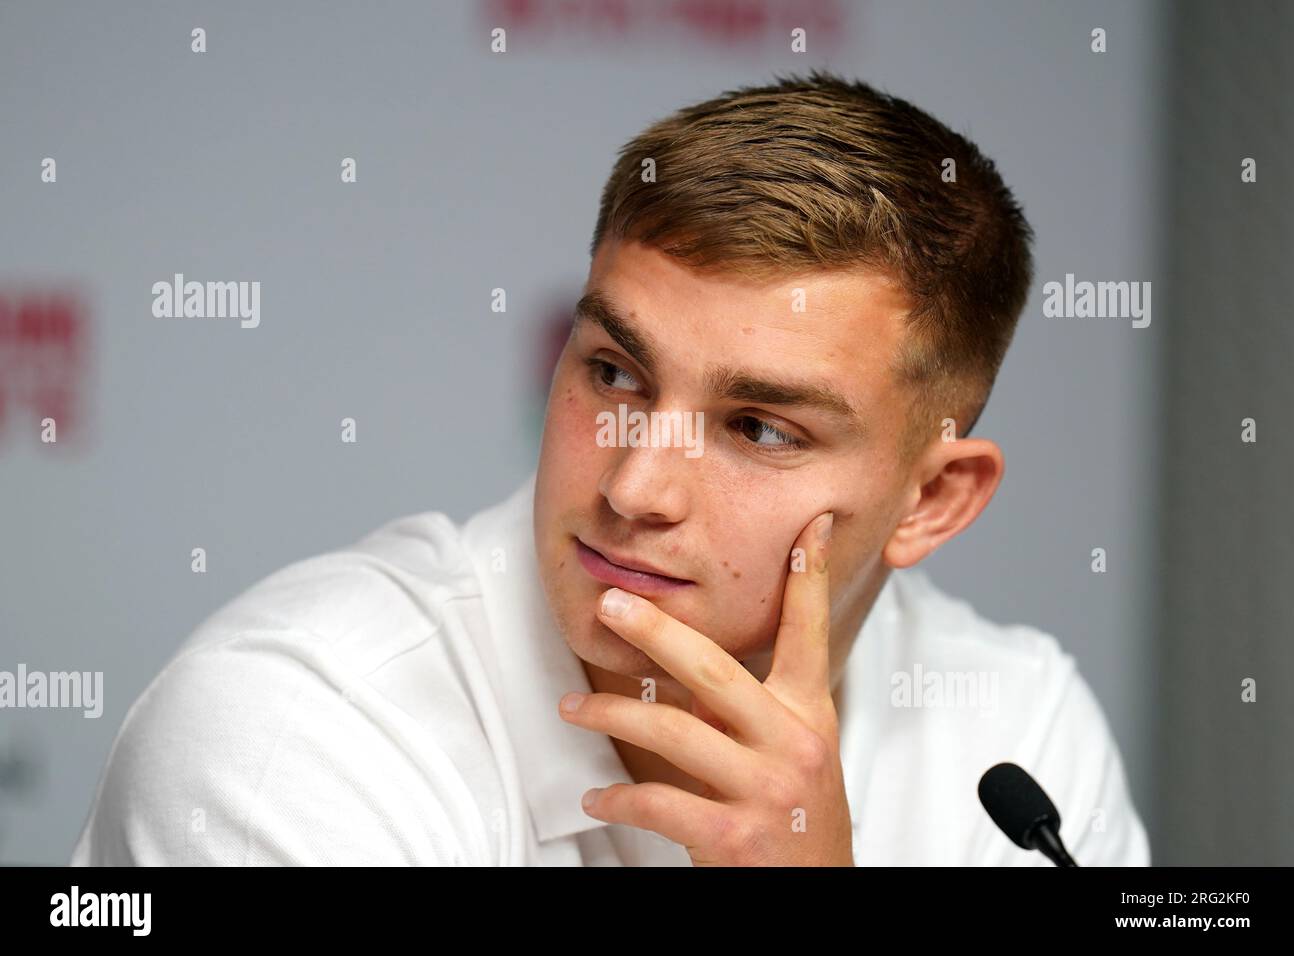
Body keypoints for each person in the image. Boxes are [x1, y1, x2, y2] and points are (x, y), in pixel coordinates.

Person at [72, 71, 1149, 866]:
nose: (634, 489)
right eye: (617, 372)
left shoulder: (1018, 735)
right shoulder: (292, 728)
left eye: (758, 428)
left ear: (931, 499)